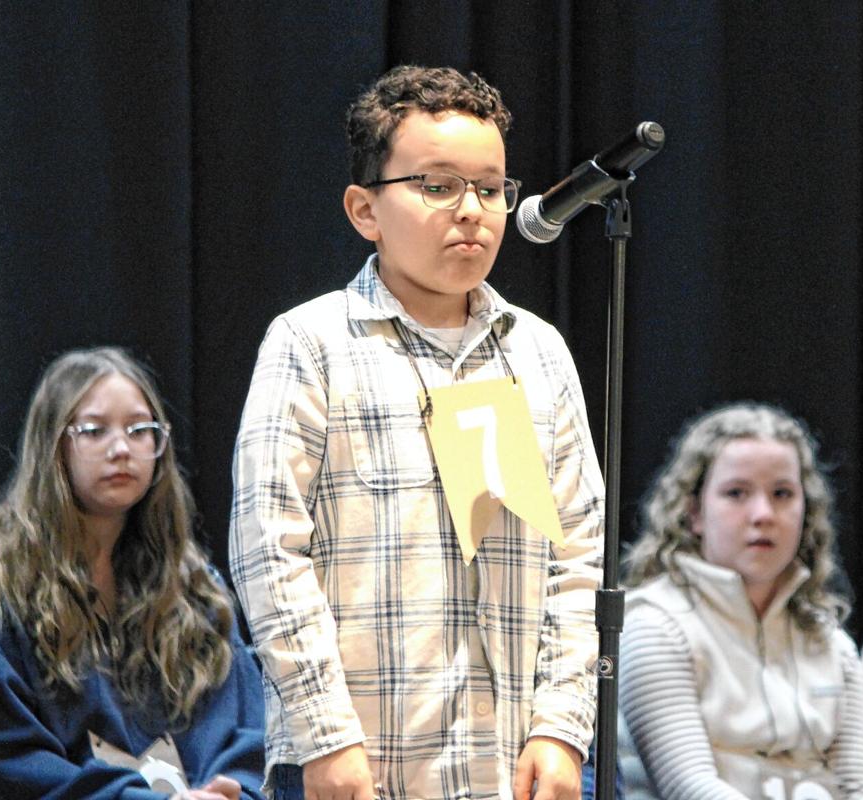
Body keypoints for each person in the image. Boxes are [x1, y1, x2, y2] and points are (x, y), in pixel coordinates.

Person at [230, 65, 605, 800]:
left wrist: (561, 727)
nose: (472, 210)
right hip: (362, 767)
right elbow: (268, 550)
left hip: (508, 770)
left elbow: (579, 556)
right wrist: (324, 735)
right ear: (365, 210)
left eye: (491, 188)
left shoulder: (536, 350)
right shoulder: (311, 343)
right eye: (437, 186)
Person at [0, 348, 266, 799]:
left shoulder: (195, 586)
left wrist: (233, 792)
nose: (121, 449)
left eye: (140, 430)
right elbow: (3, 757)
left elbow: (249, 732)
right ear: (53, 445)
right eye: (94, 431)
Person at [617, 403, 863, 800]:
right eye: (737, 493)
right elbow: (688, 787)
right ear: (693, 512)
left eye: (782, 493)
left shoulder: (831, 644)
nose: (763, 514)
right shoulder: (653, 626)